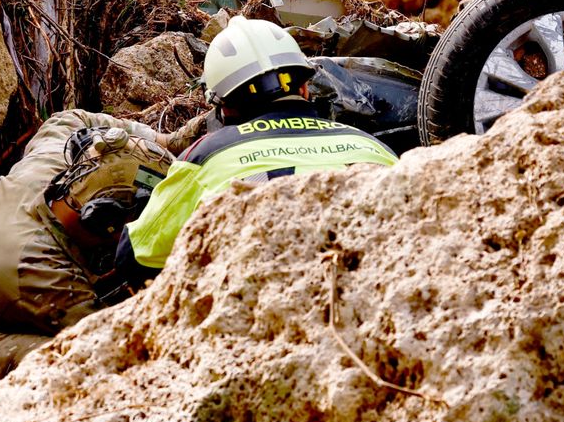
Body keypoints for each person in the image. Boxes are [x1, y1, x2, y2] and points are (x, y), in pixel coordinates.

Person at [0, 109, 173, 406]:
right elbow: (113, 340)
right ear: (105, 219)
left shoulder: (54, 165)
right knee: (64, 362)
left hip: (5, 305)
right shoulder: (39, 269)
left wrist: (164, 139)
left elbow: (70, 119)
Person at [115, 17, 397, 281]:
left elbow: (135, 257)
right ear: (305, 89)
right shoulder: (371, 146)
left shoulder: (207, 156)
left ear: (223, 107)